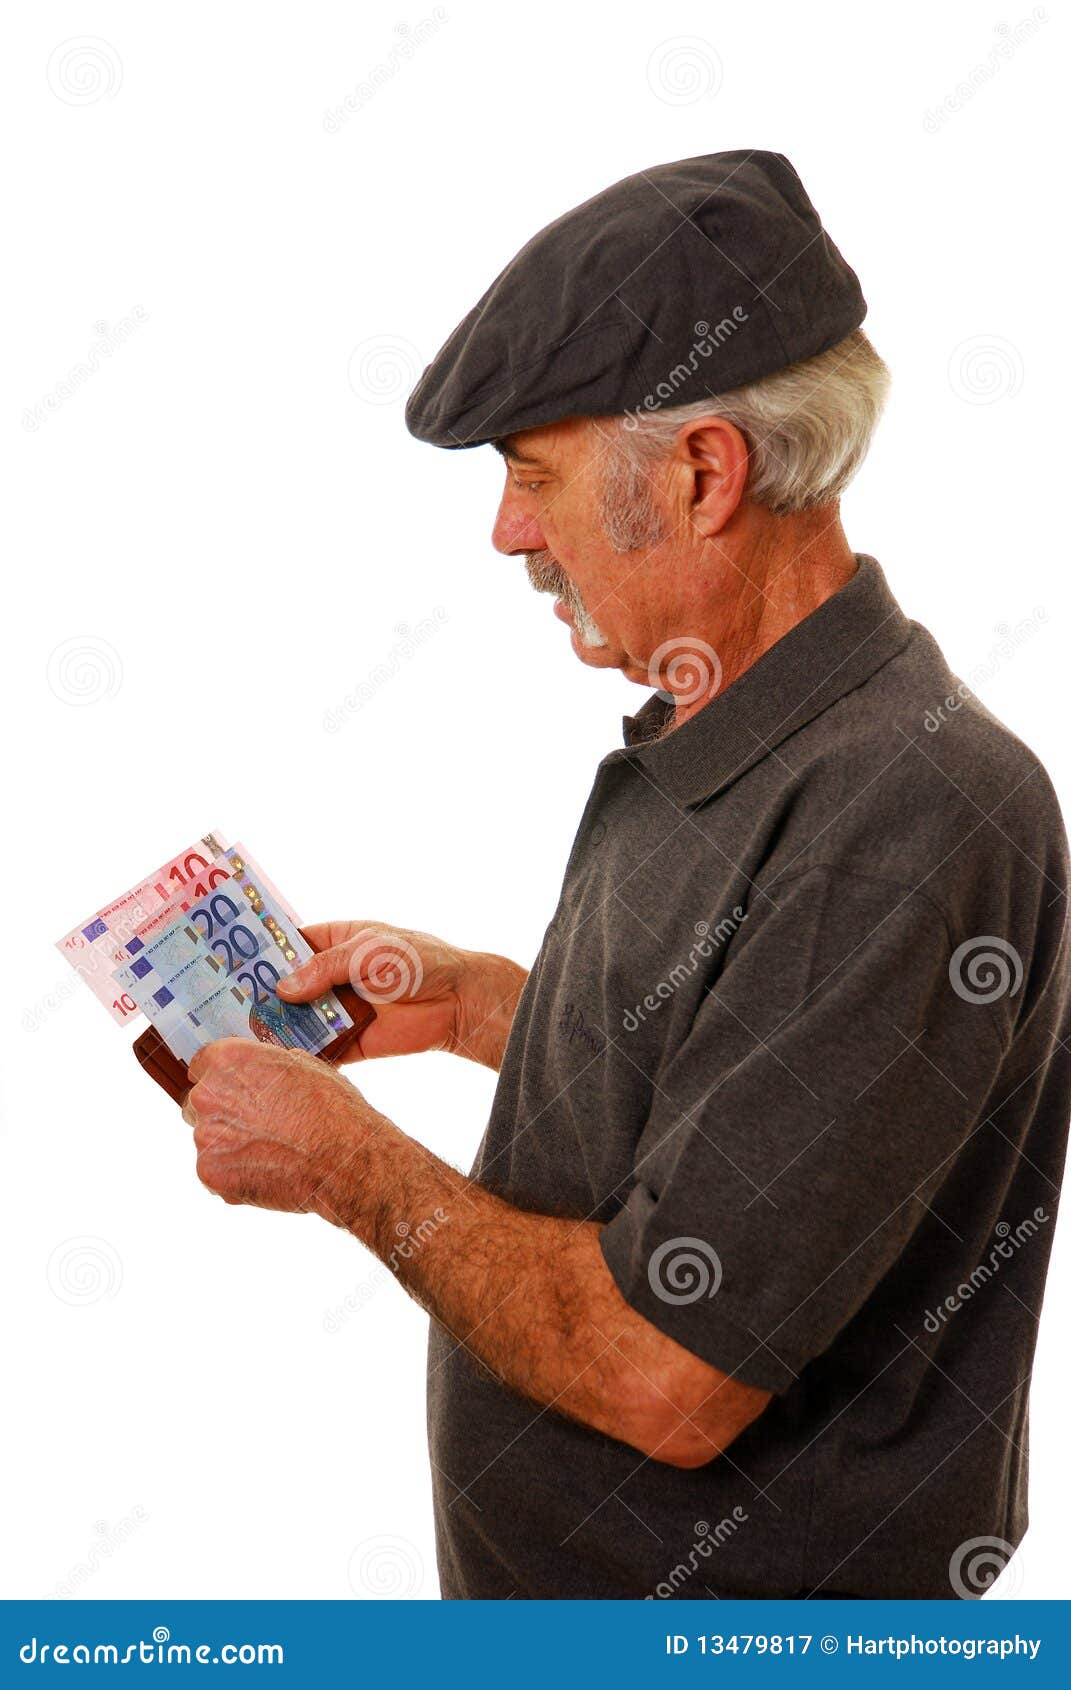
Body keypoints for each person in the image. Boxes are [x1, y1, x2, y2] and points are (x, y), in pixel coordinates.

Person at [183, 151, 1071, 1599]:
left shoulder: (909, 806)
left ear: (706, 472)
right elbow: (754, 1076)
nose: (509, 530)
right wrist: (484, 1008)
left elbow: (674, 1371)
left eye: (534, 476)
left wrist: (349, 1167)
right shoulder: (727, 722)